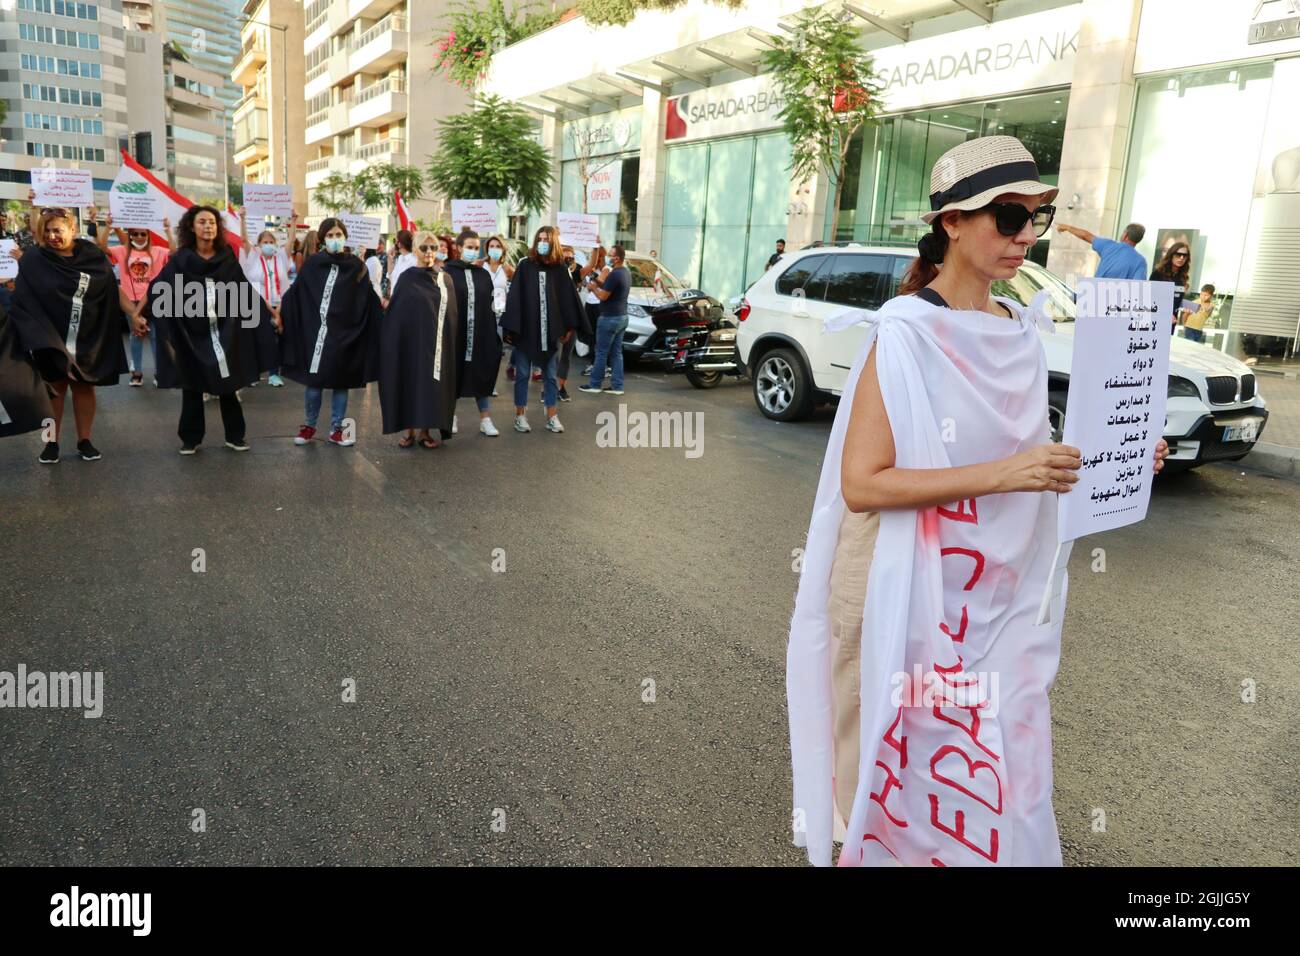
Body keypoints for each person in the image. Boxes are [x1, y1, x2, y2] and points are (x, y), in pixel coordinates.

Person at [787, 135, 1168, 868]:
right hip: (897, 583)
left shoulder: (1020, 332)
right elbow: (864, 483)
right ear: (952, 223)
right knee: (889, 771)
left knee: (984, 768)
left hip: (992, 598)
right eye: (1007, 217)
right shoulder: (902, 333)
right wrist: (1008, 472)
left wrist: (1117, 457)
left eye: (1036, 219)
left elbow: (1033, 467)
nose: (1026, 236)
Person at [147, 205, 279, 455]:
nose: (208, 226)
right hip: (192, 331)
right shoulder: (182, 259)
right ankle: (190, 438)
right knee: (193, 383)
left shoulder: (226, 257)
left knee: (228, 381)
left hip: (224, 329)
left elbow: (244, 290)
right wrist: (136, 314)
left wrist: (271, 312)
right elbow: (160, 287)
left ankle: (235, 436)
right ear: (191, 227)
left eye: (212, 222)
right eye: (202, 222)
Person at [2, 207, 128, 461]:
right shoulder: (34, 259)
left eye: (57, 230)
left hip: (87, 336)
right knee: (53, 392)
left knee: (84, 388)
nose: (51, 236)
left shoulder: (92, 255)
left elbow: (110, 290)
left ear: (73, 230)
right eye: (46, 231)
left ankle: (85, 440)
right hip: (49, 338)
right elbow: (22, 298)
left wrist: (134, 314)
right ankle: (50, 444)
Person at [278, 218, 383, 447]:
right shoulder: (314, 264)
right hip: (317, 334)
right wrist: (279, 313)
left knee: (340, 382)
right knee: (314, 382)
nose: (335, 239)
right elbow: (297, 293)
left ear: (345, 236)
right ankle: (309, 425)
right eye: (331, 235)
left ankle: (338, 429)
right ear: (323, 238)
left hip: (345, 334)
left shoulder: (356, 265)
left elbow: (366, 296)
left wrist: (384, 310)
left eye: (339, 234)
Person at [378, 230, 459, 448]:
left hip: (435, 345)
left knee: (430, 387)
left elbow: (450, 314)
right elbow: (397, 312)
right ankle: (409, 431)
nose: (429, 252)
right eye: (424, 248)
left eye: (433, 247)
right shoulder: (406, 277)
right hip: (411, 343)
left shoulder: (445, 279)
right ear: (415, 250)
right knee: (409, 382)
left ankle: (425, 432)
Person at [499, 225, 584, 434]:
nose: (543, 243)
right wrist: (513, 328)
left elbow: (567, 301)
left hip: (551, 331)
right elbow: (516, 296)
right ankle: (520, 416)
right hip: (526, 331)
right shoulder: (526, 266)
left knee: (550, 374)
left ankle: (552, 415)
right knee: (523, 374)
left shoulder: (560, 270)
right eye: (540, 239)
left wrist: (568, 327)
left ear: (553, 242)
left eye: (547, 240)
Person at [94, 212, 173, 387]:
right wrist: (108, 227)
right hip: (132, 302)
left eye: (142, 233)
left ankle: (159, 373)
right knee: (136, 336)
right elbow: (101, 248)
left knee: (154, 337)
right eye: (135, 233)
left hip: (154, 300)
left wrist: (168, 231)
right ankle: (136, 373)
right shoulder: (122, 251)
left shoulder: (158, 251)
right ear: (130, 235)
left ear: (148, 235)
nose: (138, 236)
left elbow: (175, 253)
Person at [442, 231, 503, 437]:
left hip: (479, 334)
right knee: (454, 373)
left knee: (480, 373)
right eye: (469, 247)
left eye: (476, 247)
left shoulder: (483, 274)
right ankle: (450, 416)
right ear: (459, 248)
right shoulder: (447, 271)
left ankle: (485, 419)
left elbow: (490, 303)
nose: (473, 251)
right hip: (455, 333)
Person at [239, 207, 296, 387]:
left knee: (276, 339)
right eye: (265, 241)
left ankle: (273, 374)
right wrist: (243, 218)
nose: (269, 244)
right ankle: (252, 374)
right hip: (258, 305)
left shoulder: (280, 257)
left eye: (272, 241)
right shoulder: (254, 257)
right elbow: (243, 239)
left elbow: (292, 241)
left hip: (279, 304)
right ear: (259, 244)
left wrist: (293, 221)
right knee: (255, 339)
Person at [579, 244, 630, 397]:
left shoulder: (614, 274)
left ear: (617, 258)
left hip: (609, 317)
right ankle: (617, 386)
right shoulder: (625, 272)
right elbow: (607, 286)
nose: (608, 257)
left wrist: (593, 287)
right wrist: (597, 281)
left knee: (601, 352)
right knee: (616, 353)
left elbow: (603, 296)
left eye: (611, 255)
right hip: (622, 316)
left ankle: (594, 384)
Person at [1055, 220, 1148, 280]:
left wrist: (1067, 227)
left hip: (1096, 297)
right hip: (1118, 305)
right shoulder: (1141, 261)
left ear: (1125, 235)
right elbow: (1138, 287)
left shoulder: (1109, 246)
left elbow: (1085, 236)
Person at [1150, 240, 1191, 335]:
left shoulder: (1182, 277)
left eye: (1184, 256)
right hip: (1155, 319)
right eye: (1178, 254)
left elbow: (1176, 300)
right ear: (1171, 255)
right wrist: (1165, 314)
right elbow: (1151, 298)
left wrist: (1187, 307)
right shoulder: (1158, 273)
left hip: (1171, 322)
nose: (1181, 258)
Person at [385, 229, 418, 302]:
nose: (393, 244)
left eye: (394, 241)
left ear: (399, 244)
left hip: (405, 301)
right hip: (394, 300)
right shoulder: (400, 258)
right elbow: (391, 278)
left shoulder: (414, 260)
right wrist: (389, 260)